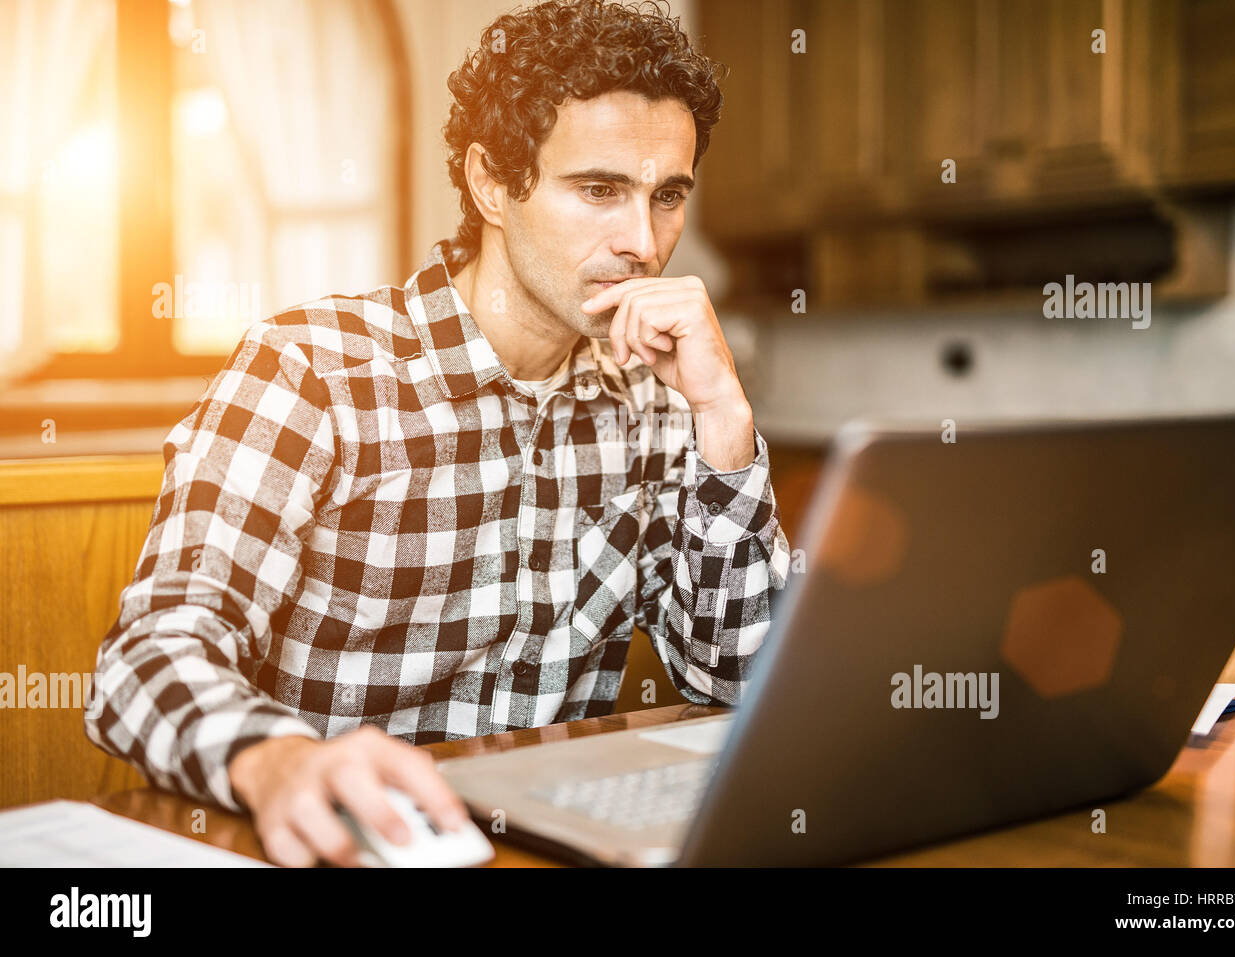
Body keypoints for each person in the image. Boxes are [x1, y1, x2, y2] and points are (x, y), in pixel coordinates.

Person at [85, 0, 790, 867]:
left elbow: (744, 685)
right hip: (334, 848)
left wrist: (727, 421)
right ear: (491, 182)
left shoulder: (654, 396)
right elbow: (148, 655)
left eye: (668, 196)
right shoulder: (311, 368)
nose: (643, 242)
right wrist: (274, 762)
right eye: (600, 190)